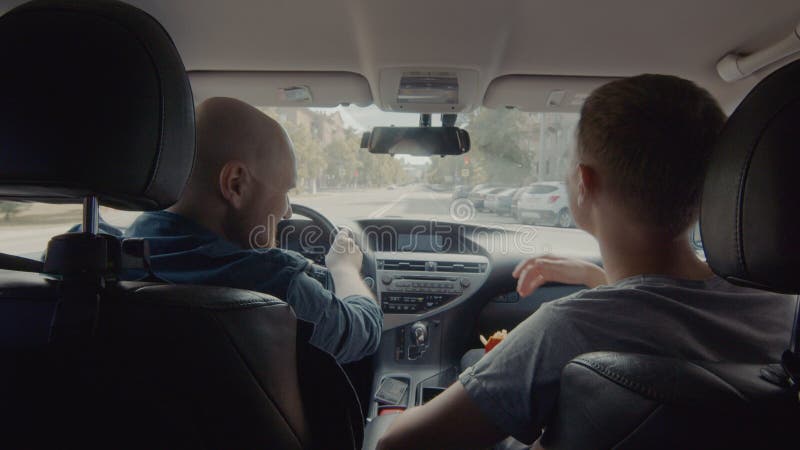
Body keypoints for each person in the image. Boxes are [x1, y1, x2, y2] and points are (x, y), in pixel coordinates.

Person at [376, 74, 798, 449]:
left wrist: (388, 413)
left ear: (584, 184)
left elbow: (399, 445)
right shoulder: (784, 311)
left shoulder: (568, 328)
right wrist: (597, 278)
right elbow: (665, 317)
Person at [124, 97, 382, 364]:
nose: (288, 212)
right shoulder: (274, 284)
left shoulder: (97, 258)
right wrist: (344, 269)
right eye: (285, 191)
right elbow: (363, 330)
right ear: (236, 185)